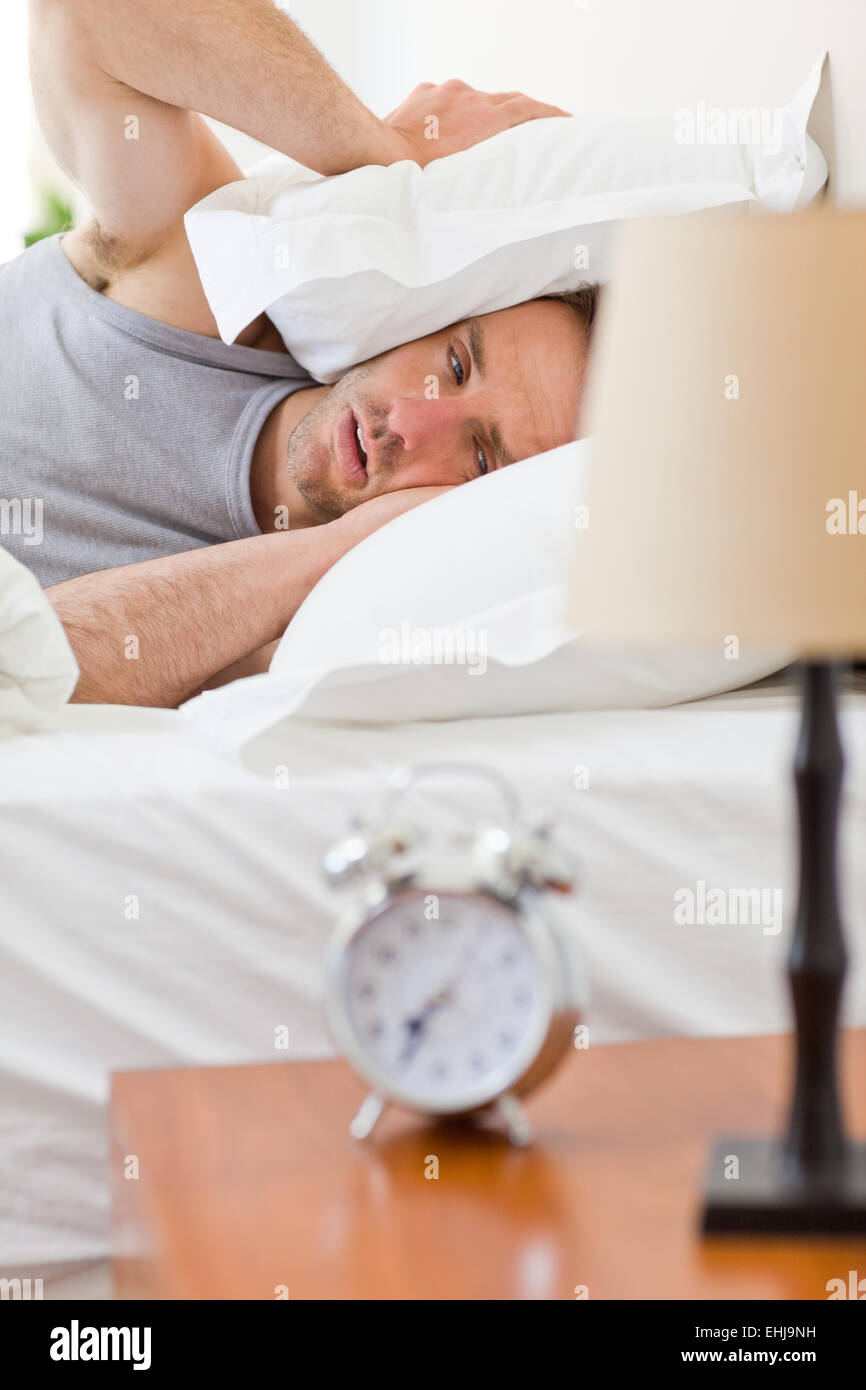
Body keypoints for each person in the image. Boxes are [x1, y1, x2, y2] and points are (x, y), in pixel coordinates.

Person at [5, 1, 596, 706]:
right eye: (456, 368)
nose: (413, 421)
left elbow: (26, 673)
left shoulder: (306, 640)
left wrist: (335, 550)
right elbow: (90, 17)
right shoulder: (210, 303)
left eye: (479, 458)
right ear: (426, 317)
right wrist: (386, 155)